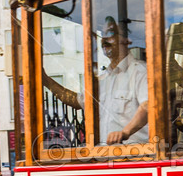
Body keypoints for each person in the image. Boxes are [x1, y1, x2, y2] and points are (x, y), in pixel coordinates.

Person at [43, 15, 149, 145]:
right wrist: (46, 80)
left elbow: (148, 106)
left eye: (110, 33)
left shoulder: (140, 72)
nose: (104, 39)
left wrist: (125, 132)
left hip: (136, 158)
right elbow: (76, 101)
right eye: (103, 34)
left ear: (126, 40)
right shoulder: (103, 78)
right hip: (104, 156)